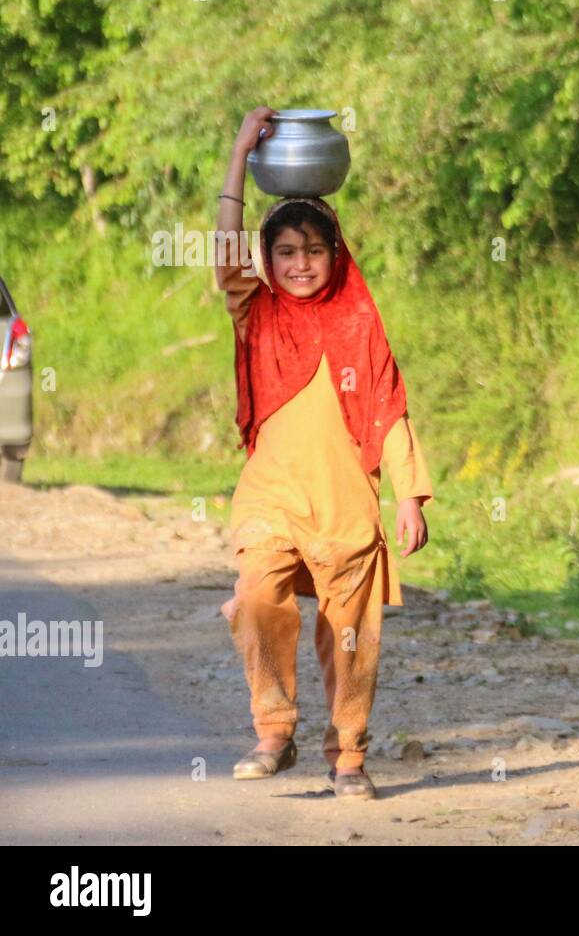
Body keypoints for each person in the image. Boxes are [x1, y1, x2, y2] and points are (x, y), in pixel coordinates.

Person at [214, 106, 433, 799]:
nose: (300, 264)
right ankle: (274, 730)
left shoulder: (359, 322)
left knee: (351, 638)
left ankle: (347, 756)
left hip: (346, 506)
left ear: (335, 254)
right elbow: (224, 251)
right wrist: (241, 153)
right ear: (268, 259)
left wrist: (409, 497)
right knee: (255, 597)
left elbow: (389, 409)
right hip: (272, 498)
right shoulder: (258, 311)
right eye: (285, 252)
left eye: (313, 250)